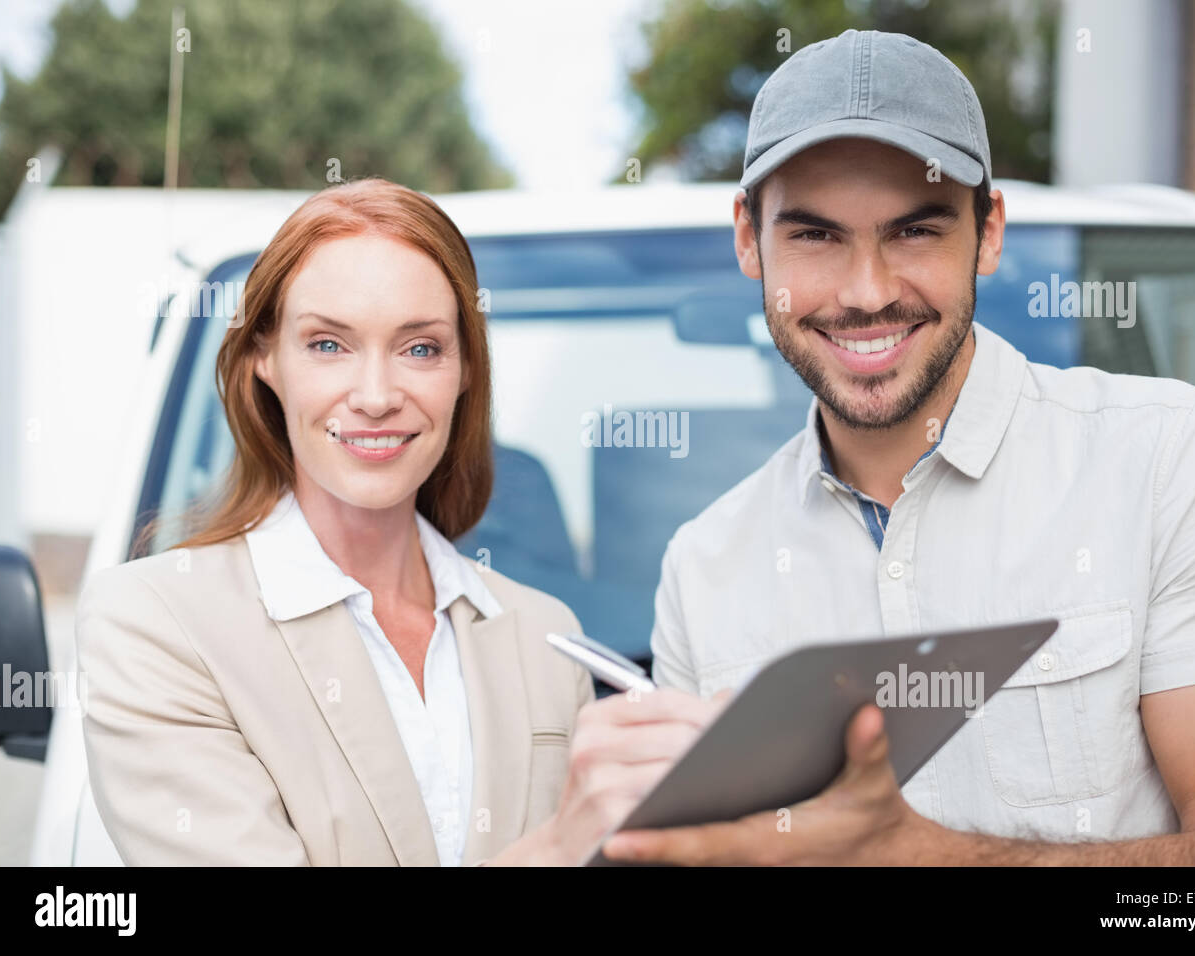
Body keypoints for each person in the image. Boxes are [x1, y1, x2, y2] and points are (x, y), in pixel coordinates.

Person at [600, 29, 1195, 865]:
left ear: (988, 231)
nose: (868, 292)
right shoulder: (703, 569)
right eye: (815, 236)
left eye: (915, 232)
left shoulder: (1179, 463)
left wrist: (920, 853)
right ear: (749, 239)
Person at [74, 178, 719, 866]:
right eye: (328, 345)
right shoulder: (154, 624)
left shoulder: (546, 637)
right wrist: (558, 849)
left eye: (420, 349)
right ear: (265, 358)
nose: (377, 397)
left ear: (466, 367)